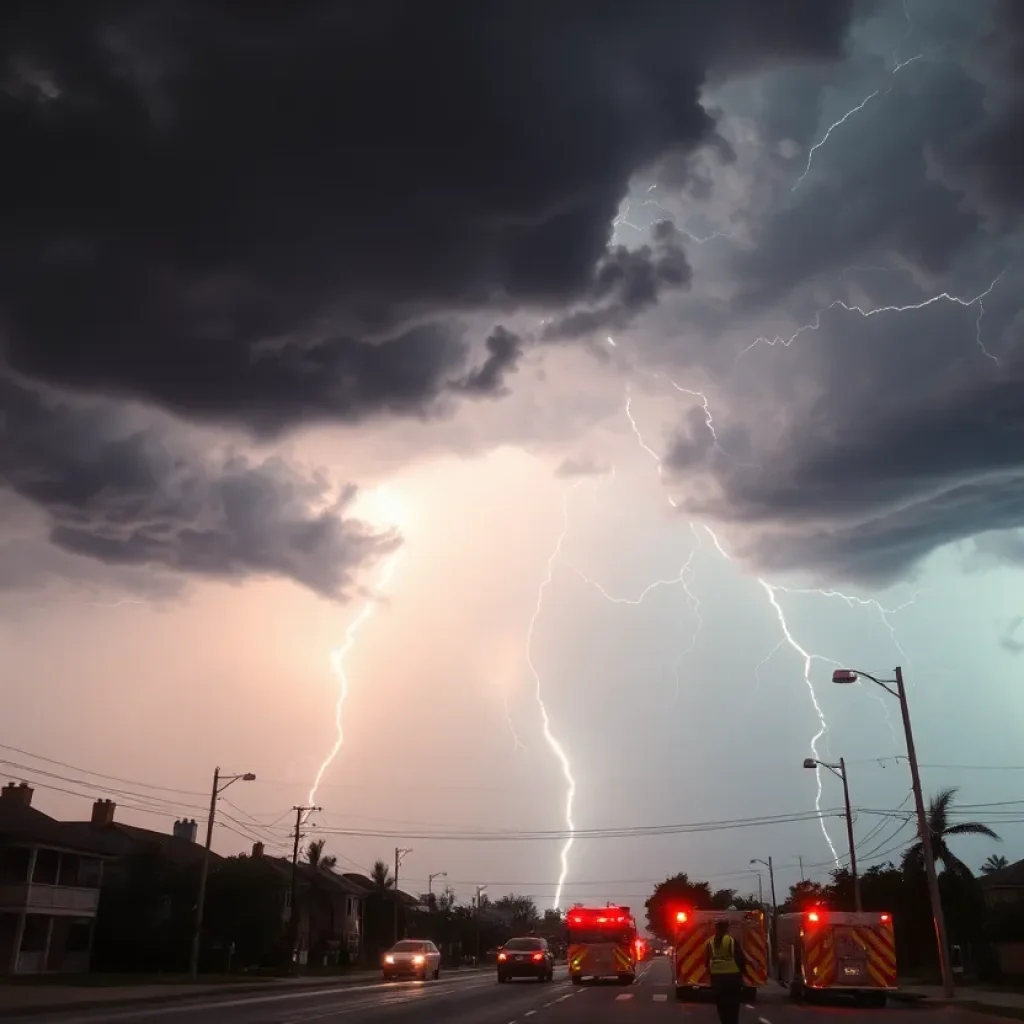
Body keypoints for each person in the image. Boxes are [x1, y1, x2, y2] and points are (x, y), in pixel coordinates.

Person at [705, 919, 746, 1024]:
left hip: (717, 979)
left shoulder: (710, 941)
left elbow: (706, 960)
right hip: (733, 978)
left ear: (716, 929)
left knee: (721, 1005)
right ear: (727, 929)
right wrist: (743, 974)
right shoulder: (731, 940)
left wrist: (710, 972)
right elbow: (740, 959)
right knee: (733, 1006)